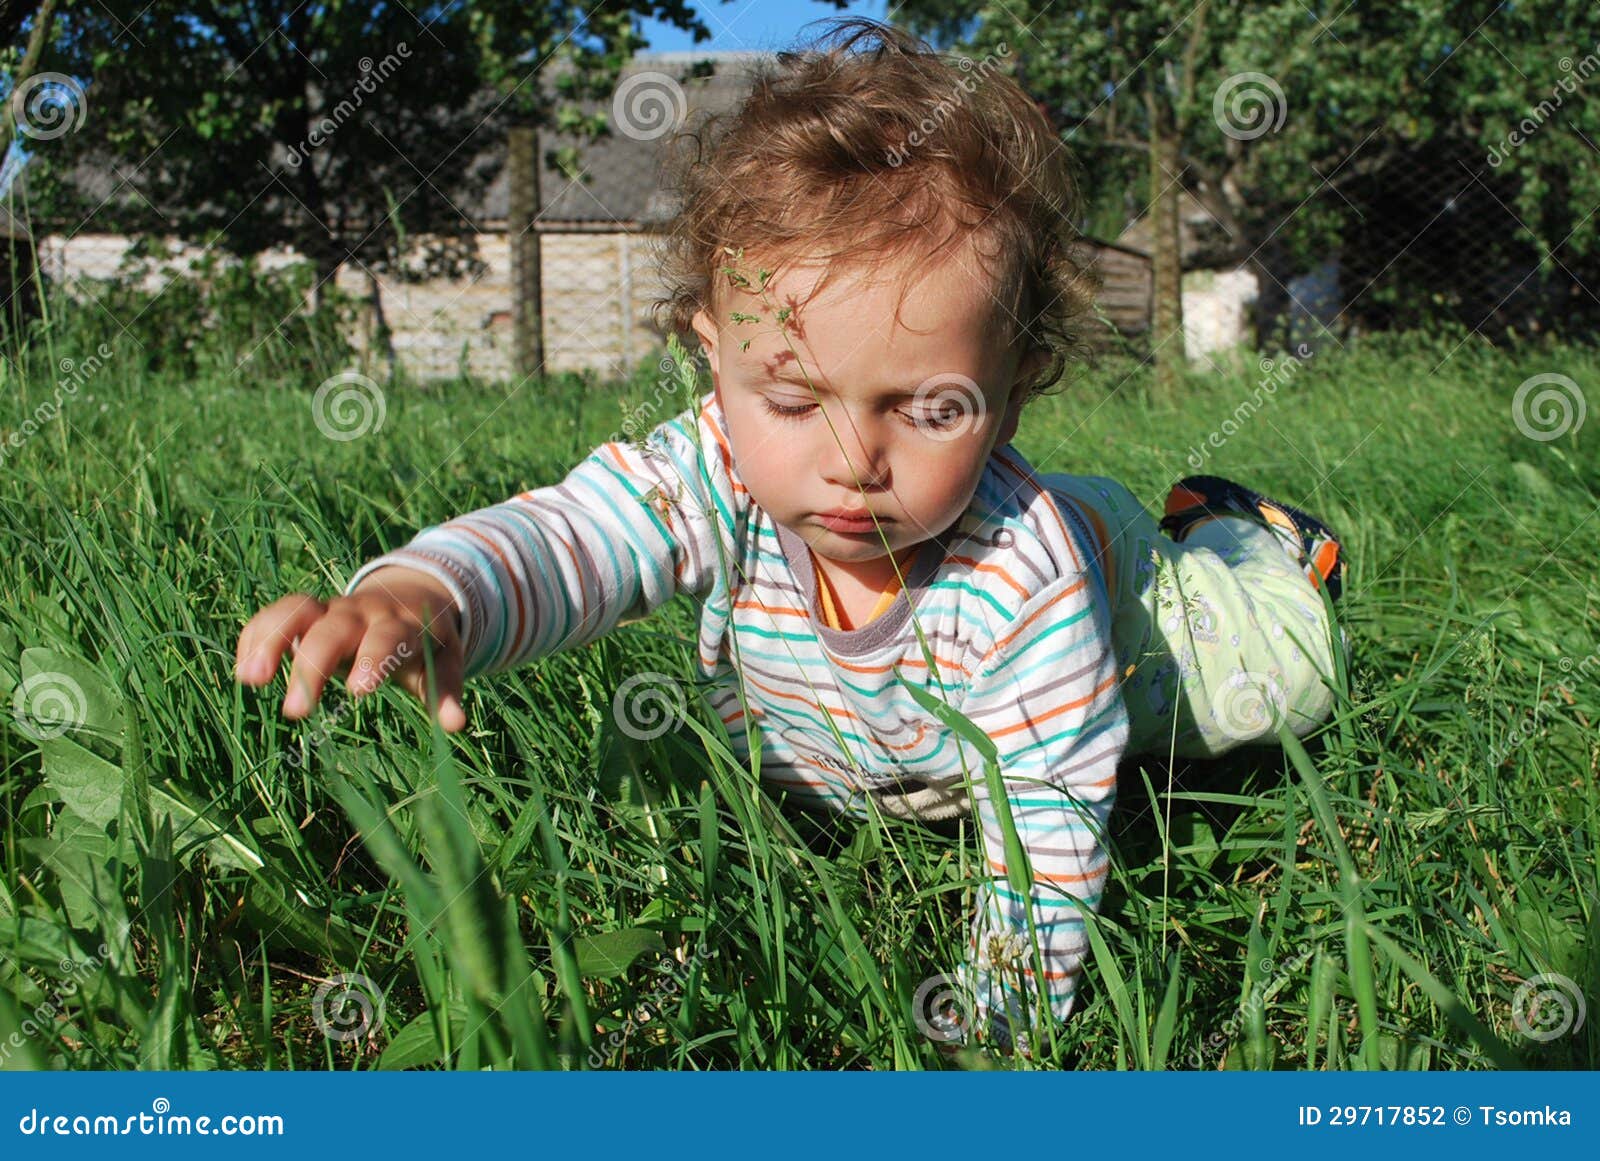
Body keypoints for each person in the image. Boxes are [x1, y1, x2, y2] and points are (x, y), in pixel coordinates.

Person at [234, 18, 1345, 1056]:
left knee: (1284, 682)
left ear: (1012, 396)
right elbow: (579, 536)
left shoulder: (1022, 578)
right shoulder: (715, 468)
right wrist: (434, 594)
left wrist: (993, 1041)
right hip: (876, 747)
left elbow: (1048, 813)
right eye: (794, 399)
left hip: (1135, 609)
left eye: (929, 408)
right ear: (715, 360)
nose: (854, 459)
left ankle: (1248, 540)